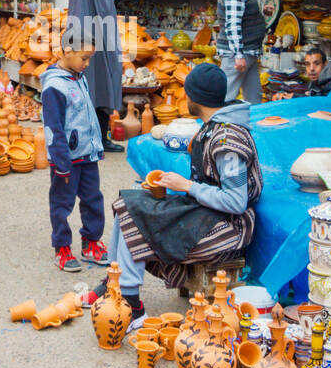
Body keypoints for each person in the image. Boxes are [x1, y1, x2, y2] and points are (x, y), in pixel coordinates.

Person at [84, 63, 262, 327]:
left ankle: (132, 304)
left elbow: (236, 202)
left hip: (228, 228)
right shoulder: (213, 127)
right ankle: (115, 281)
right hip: (208, 212)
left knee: (140, 217)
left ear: (196, 98)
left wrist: (187, 186)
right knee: (131, 203)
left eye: (187, 94)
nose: (185, 99)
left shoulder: (227, 141)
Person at [41, 45, 108, 273]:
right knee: (62, 203)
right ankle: (62, 247)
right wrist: (61, 162)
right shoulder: (54, 86)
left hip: (87, 154)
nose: (87, 63)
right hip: (66, 160)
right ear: (67, 51)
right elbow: (53, 128)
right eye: (84, 58)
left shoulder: (80, 78)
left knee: (93, 200)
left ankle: (91, 242)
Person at [63, 0, 123, 152]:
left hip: (105, 34)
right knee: (86, 84)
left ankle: (103, 137)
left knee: (106, 85)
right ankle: (85, 139)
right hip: (85, 33)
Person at [216, 0, 268, 104]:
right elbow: (232, 23)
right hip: (238, 54)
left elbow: (242, 12)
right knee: (226, 98)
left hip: (248, 52)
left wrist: (260, 11)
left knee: (254, 97)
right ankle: (219, 126)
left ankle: (252, 126)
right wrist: (238, 54)